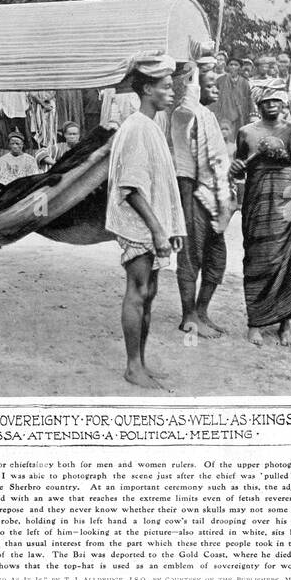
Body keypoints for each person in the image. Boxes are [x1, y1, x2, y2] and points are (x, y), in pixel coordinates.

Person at [105, 55, 185, 390]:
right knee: (137, 292)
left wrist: (171, 228)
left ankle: (142, 362)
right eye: (166, 87)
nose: (172, 92)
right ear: (148, 88)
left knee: (148, 292)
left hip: (151, 224)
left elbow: (159, 184)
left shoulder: (151, 126)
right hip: (138, 224)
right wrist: (156, 229)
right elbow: (132, 188)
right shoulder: (137, 127)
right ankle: (132, 366)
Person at [230, 81, 291, 346]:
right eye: (266, 101)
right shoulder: (246, 132)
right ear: (258, 105)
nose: (271, 105)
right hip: (260, 196)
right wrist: (235, 169)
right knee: (259, 256)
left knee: (290, 258)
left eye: (276, 100)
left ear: (284, 103)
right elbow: (240, 167)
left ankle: (285, 324)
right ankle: (255, 321)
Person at [168, 64, 232, 339]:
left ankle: (202, 310)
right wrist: (193, 77)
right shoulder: (185, 115)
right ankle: (188, 317)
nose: (215, 88)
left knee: (217, 259)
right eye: (209, 84)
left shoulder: (208, 116)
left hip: (213, 194)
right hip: (193, 190)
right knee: (191, 255)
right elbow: (185, 110)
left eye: (216, 84)